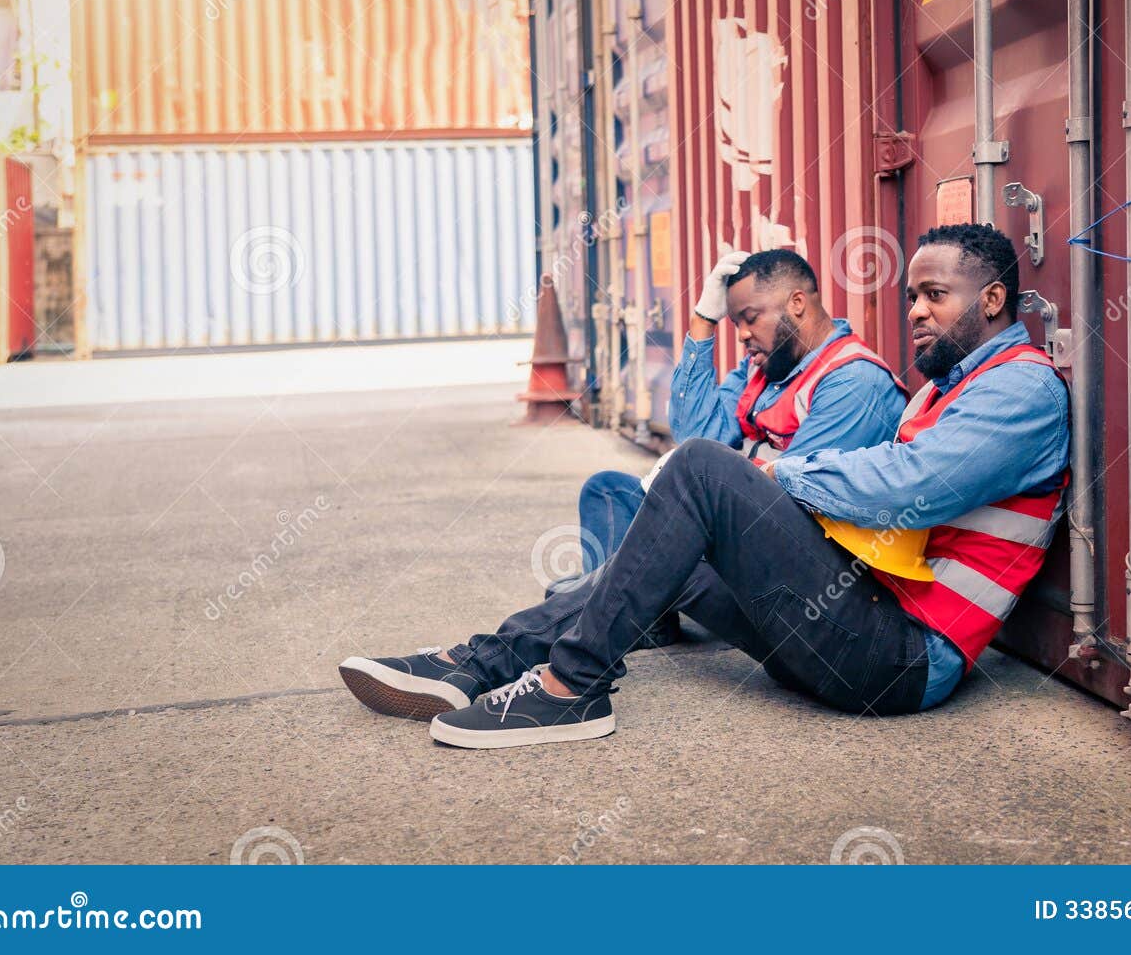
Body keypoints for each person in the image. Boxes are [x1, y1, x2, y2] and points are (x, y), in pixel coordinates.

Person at [339, 223, 1069, 748]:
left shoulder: (1021, 388)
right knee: (671, 526)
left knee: (699, 473)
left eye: (934, 295)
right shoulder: (942, 390)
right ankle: (479, 664)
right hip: (858, 620)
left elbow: (913, 485)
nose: (914, 310)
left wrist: (777, 470)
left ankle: (570, 689)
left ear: (995, 299)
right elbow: (702, 427)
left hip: (903, 657)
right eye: (912, 295)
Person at [554, 248, 907, 648]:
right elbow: (696, 434)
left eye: (750, 319)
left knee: (664, 536)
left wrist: (700, 503)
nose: (740, 334)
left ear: (796, 304)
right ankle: (638, 616)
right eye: (734, 321)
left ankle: (608, 606)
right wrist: (704, 320)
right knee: (608, 491)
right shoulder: (766, 367)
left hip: (801, 577)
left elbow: (792, 511)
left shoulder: (853, 382)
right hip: (744, 535)